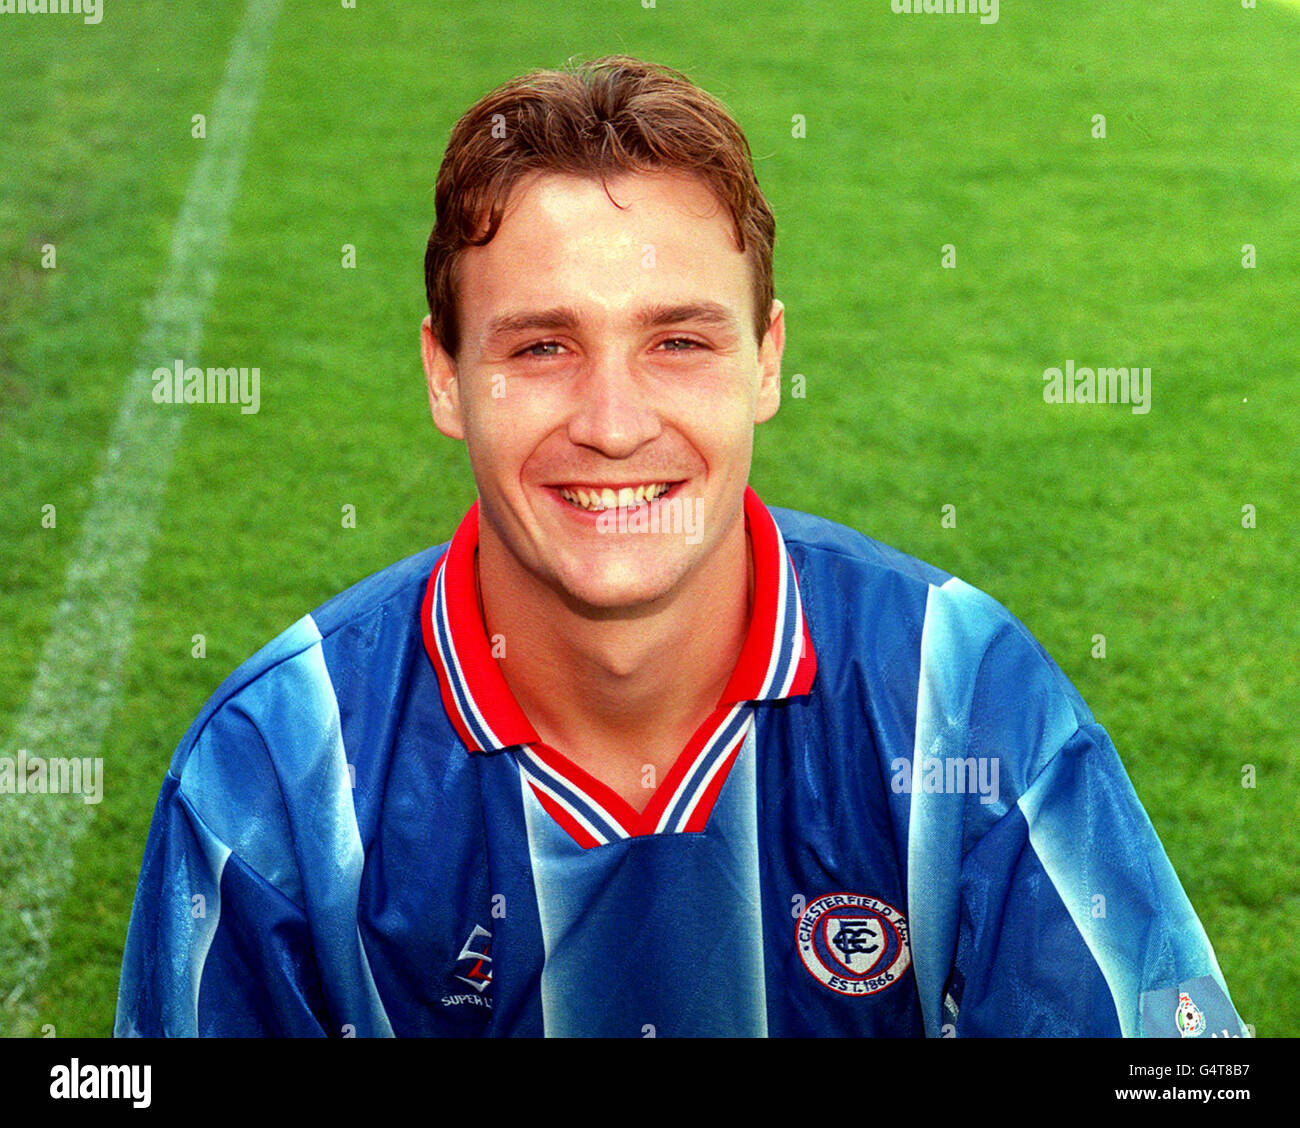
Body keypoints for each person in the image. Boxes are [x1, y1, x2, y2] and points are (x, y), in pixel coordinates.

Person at [116, 55, 1245, 1038]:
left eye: (679, 340)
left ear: (766, 361)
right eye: (544, 344)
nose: (613, 423)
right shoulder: (276, 764)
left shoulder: (960, 696)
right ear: (444, 377)